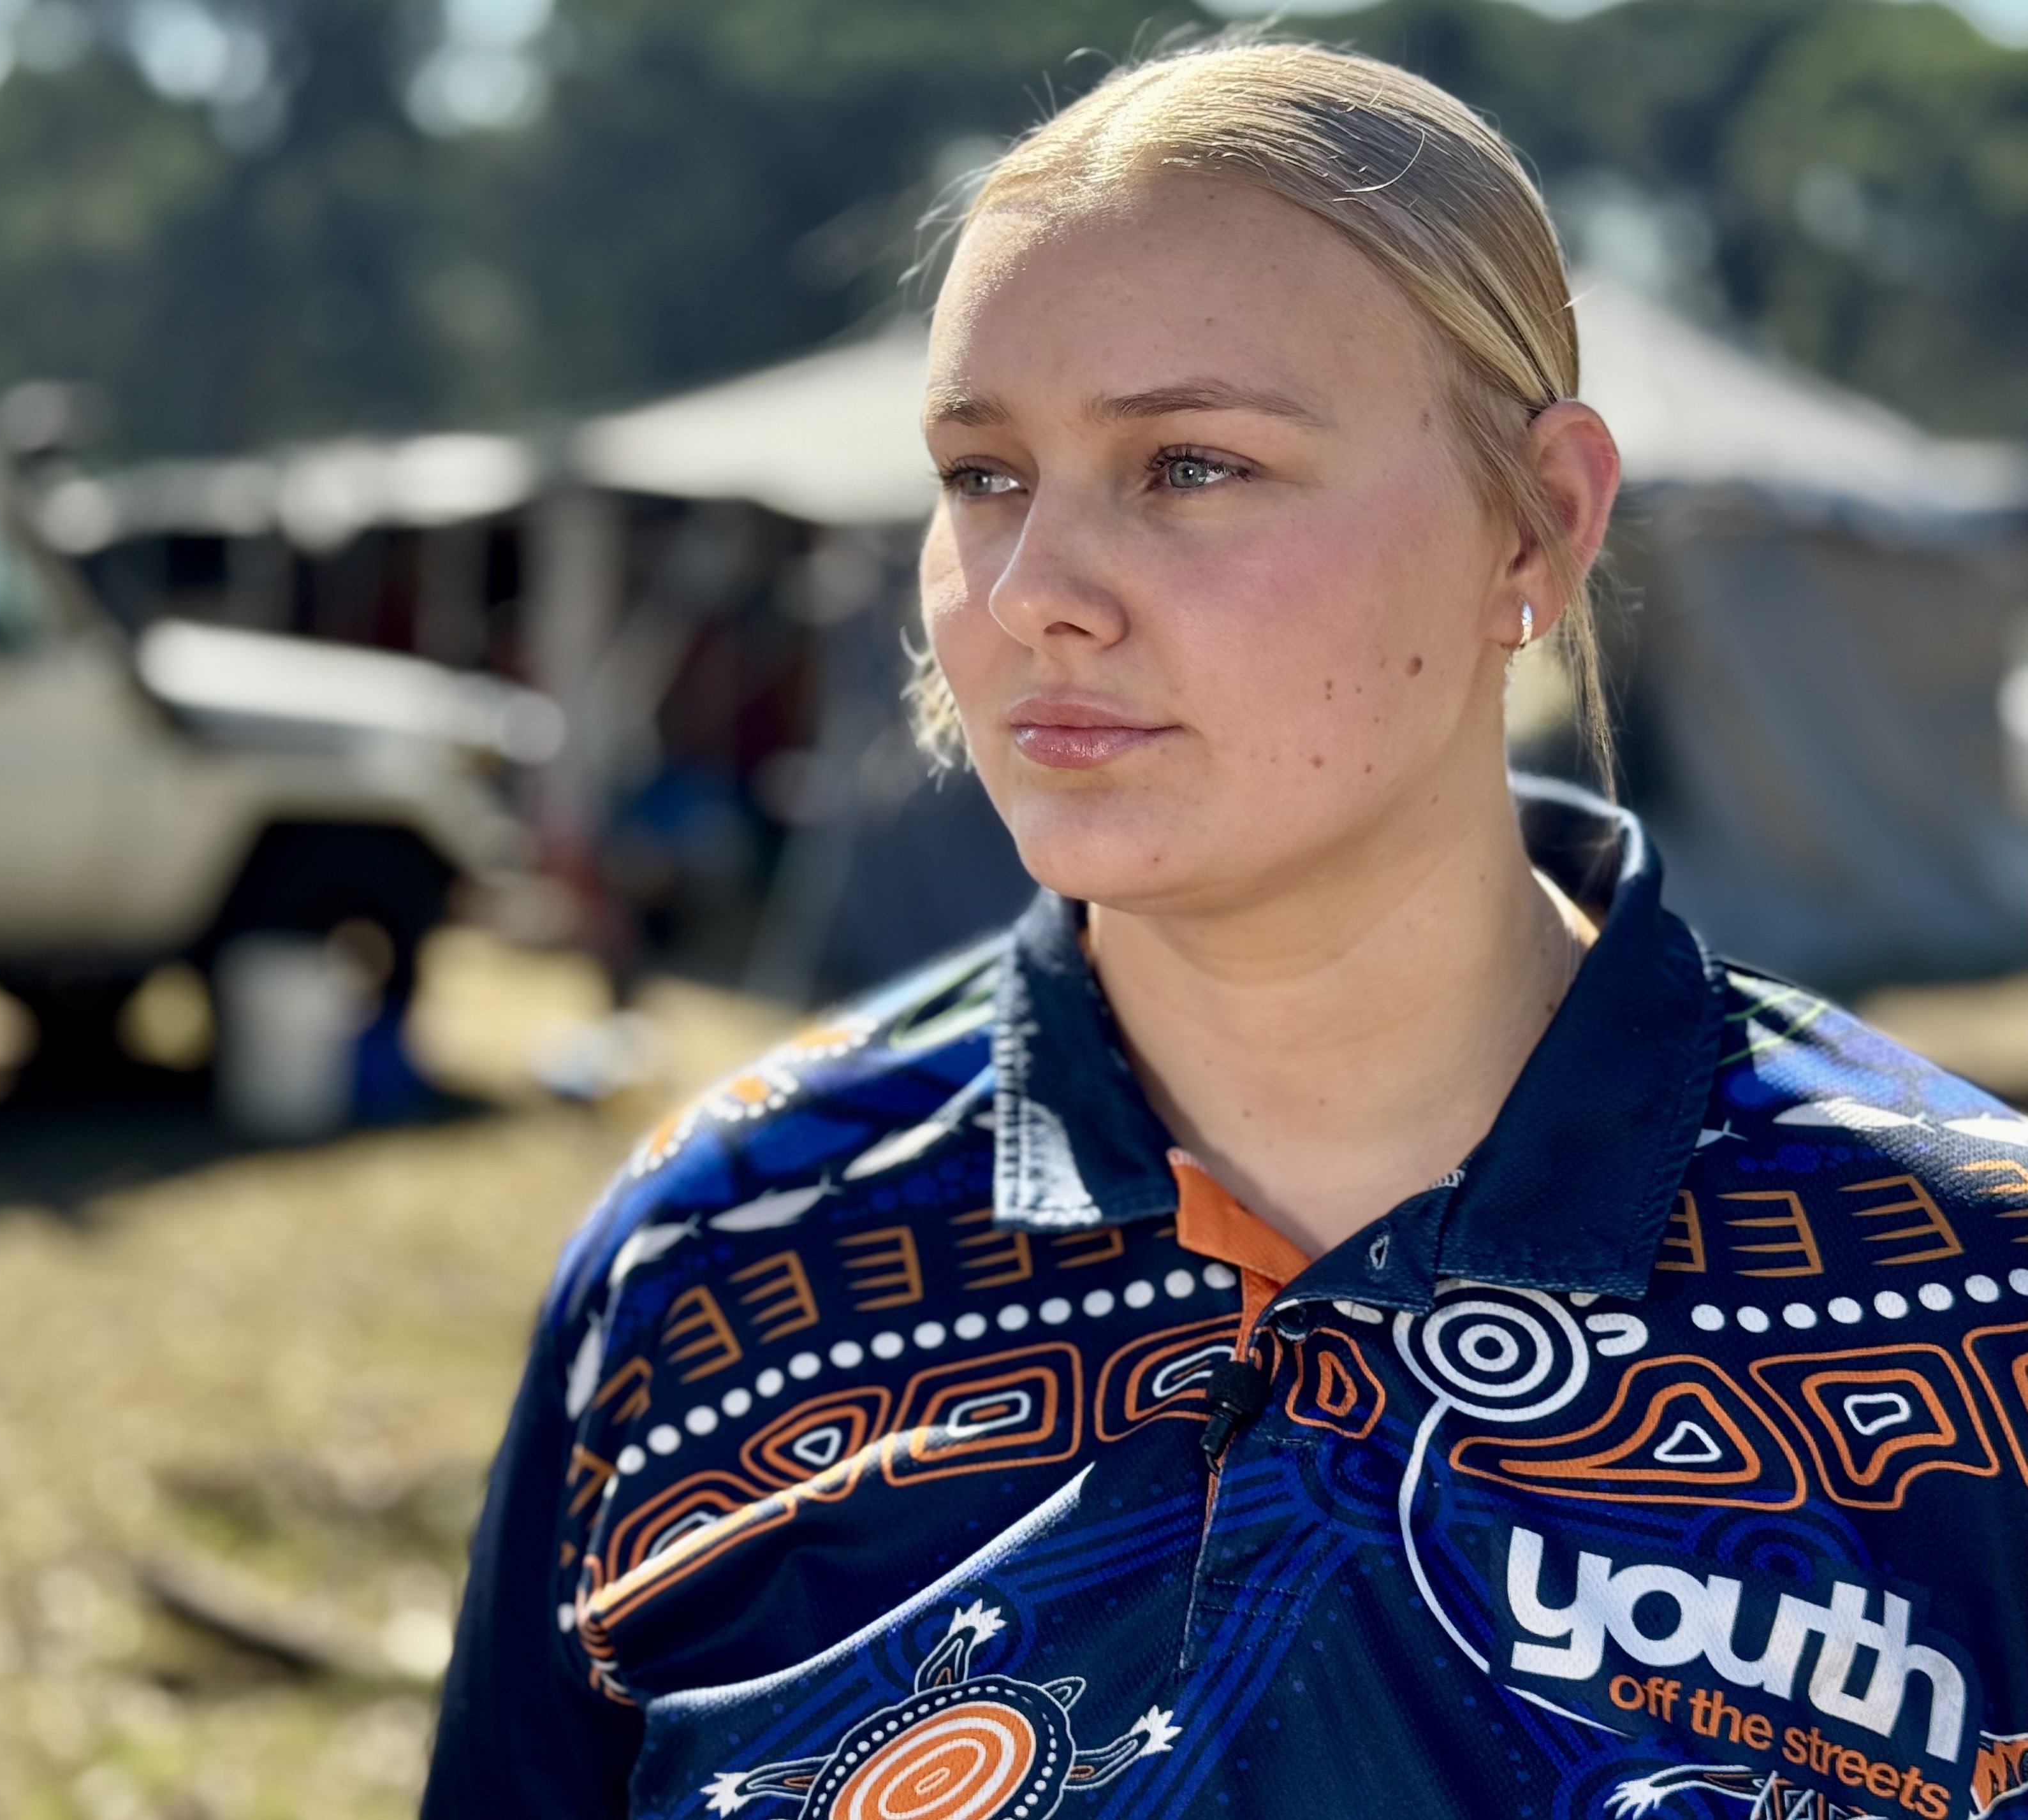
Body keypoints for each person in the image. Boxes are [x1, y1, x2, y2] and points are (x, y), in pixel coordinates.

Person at [425, 38, 2028, 1819]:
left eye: (1191, 465)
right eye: (980, 474)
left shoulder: (1980, 1301)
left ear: (1540, 524)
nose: (1032, 592)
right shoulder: (714, 1259)